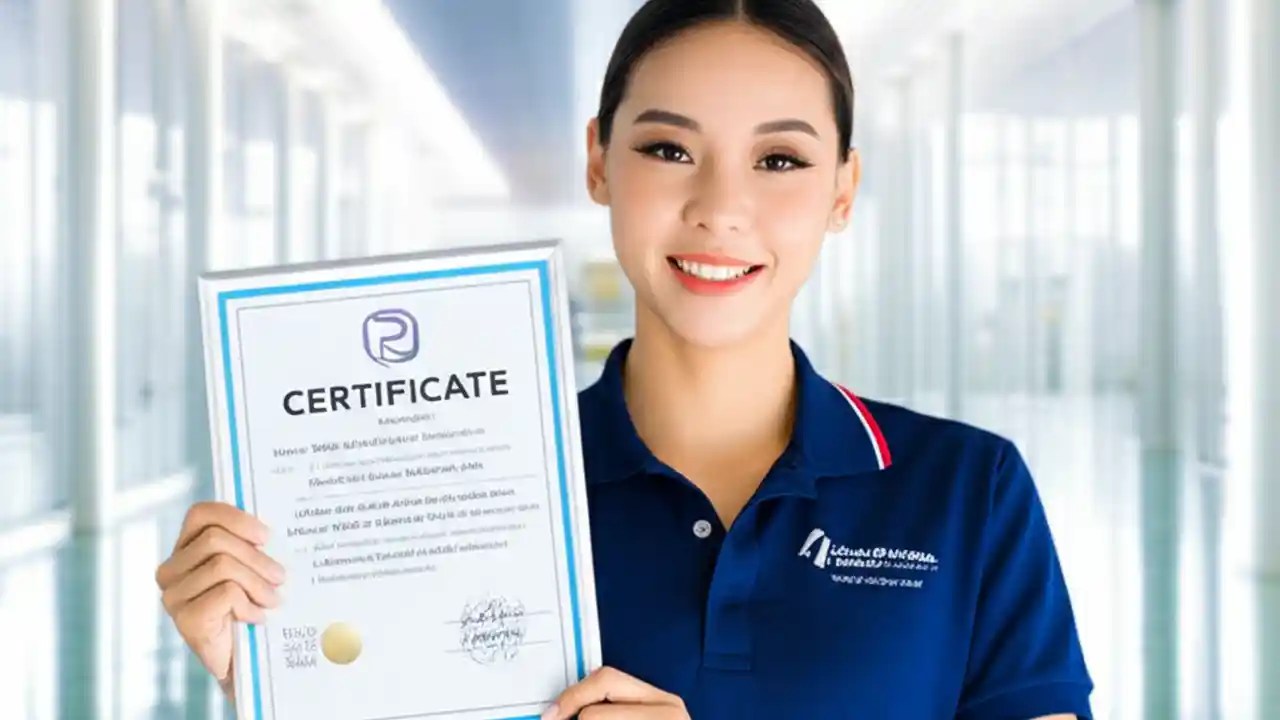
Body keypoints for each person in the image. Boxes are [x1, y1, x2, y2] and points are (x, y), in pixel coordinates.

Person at [154, 0, 1093, 717]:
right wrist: (284, 675)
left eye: (780, 162)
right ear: (599, 160)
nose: (722, 207)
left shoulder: (968, 493)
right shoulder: (479, 489)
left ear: (843, 189)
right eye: (669, 148)